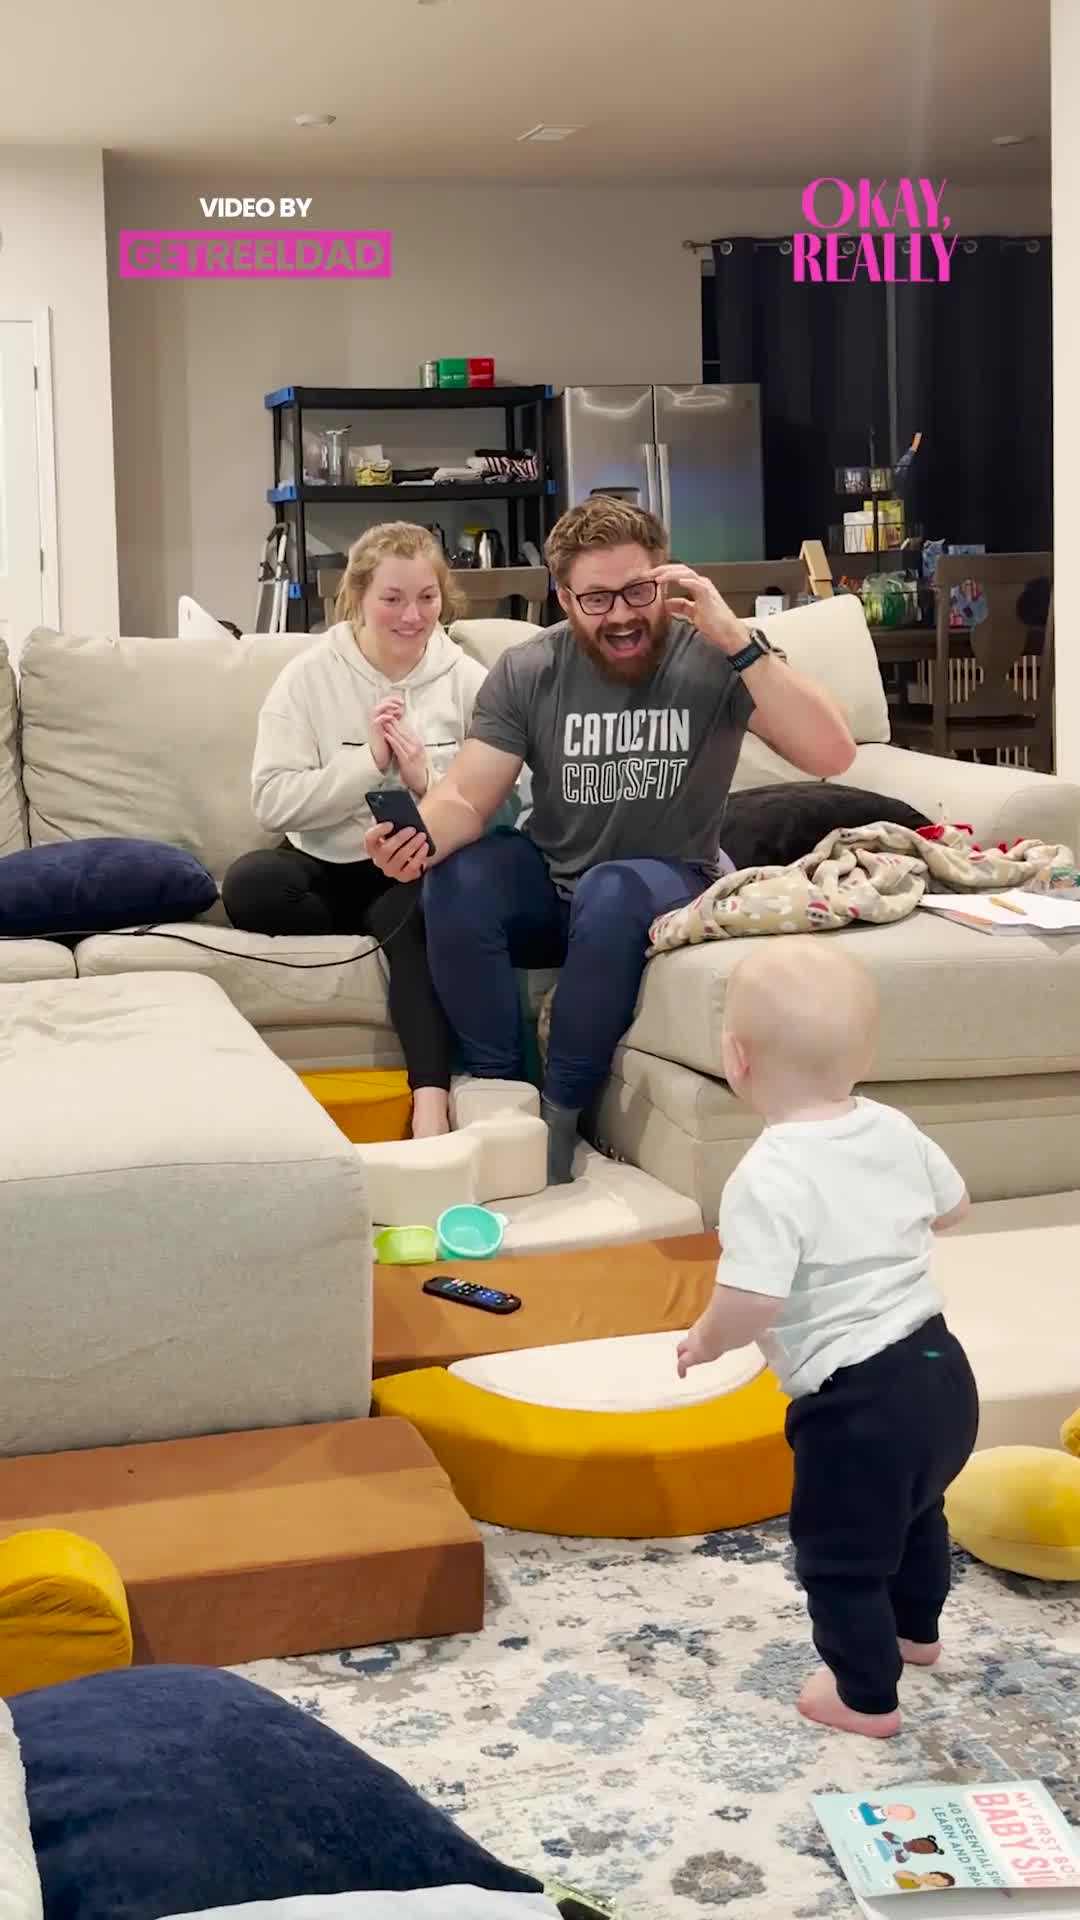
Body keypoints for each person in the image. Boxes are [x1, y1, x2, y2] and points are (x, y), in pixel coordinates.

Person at [363, 496, 856, 1181]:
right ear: (564, 598)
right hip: (556, 882)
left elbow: (833, 752)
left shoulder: (718, 657)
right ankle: (502, 1100)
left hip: (666, 880)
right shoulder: (530, 670)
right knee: (458, 875)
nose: (621, 614)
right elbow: (466, 796)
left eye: (637, 590)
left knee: (612, 888)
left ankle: (562, 1118)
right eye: (596, 598)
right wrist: (420, 839)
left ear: (668, 579)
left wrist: (738, 638)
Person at [677, 941, 980, 1739]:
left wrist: (707, 1340)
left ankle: (864, 1698)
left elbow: (753, 1296)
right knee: (918, 1514)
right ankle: (918, 1635)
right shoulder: (891, 1124)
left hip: (858, 1401)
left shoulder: (768, 1173)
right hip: (941, 1368)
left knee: (840, 1556)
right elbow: (953, 1208)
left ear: (736, 1059)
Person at [223, 521, 488, 1139]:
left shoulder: (467, 679)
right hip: (325, 866)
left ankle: (430, 1103)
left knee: (422, 915)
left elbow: (501, 793)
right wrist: (366, 761)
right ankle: (382, 926)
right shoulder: (309, 675)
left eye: (427, 597)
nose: (411, 615)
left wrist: (426, 778)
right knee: (249, 883)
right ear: (359, 599)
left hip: (415, 867)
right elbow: (271, 801)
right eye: (391, 599)